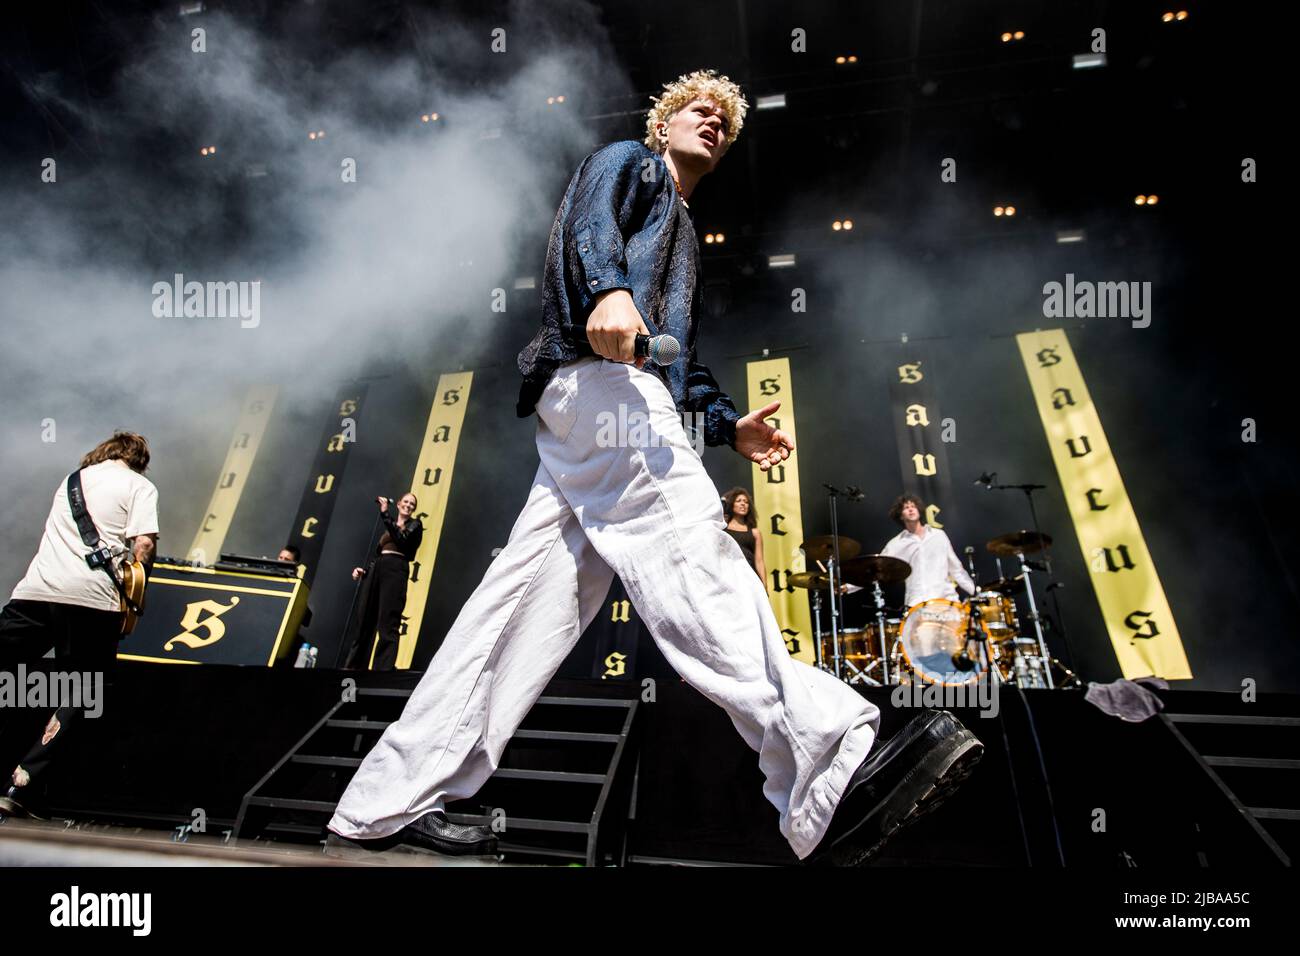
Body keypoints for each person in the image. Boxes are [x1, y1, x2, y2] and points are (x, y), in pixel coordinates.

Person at [325, 70, 981, 865]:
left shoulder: (683, 234)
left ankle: (388, 803)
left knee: (521, 609)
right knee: (691, 546)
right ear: (663, 120)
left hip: (606, 401)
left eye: (725, 123)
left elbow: (679, 361)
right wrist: (605, 289)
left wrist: (723, 423)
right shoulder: (630, 166)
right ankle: (823, 759)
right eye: (698, 110)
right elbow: (589, 222)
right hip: (604, 388)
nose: (712, 123)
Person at [0, 431, 159, 821]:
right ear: (138, 458)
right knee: (84, 690)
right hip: (90, 599)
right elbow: (144, 546)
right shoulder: (140, 486)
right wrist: (135, 591)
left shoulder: (72, 480)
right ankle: (24, 781)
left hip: (36, 591)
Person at [343, 494, 422, 671]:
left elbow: (401, 540)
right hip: (377, 568)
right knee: (365, 619)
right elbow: (379, 553)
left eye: (412, 504)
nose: (408, 505)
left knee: (388, 621)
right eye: (406, 502)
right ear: (399, 504)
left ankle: (382, 670)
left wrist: (385, 514)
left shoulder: (415, 525)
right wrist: (365, 570)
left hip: (395, 569)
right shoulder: (388, 529)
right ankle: (354, 667)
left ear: (413, 509)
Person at [881, 494, 975, 608]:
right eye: (906, 508)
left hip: (946, 601)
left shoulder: (939, 535)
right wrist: (854, 583)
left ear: (919, 511)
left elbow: (956, 570)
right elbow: (876, 567)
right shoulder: (896, 544)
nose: (910, 509)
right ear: (901, 516)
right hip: (917, 605)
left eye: (913, 506)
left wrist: (975, 592)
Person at [721, 487, 765, 583]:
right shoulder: (723, 529)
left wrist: (764, 586)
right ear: (732, 504)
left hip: (751, 577)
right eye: (739, 501)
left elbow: (759, 561)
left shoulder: (755, 532)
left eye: (746, 502)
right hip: (730, 577)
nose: (743, 504)